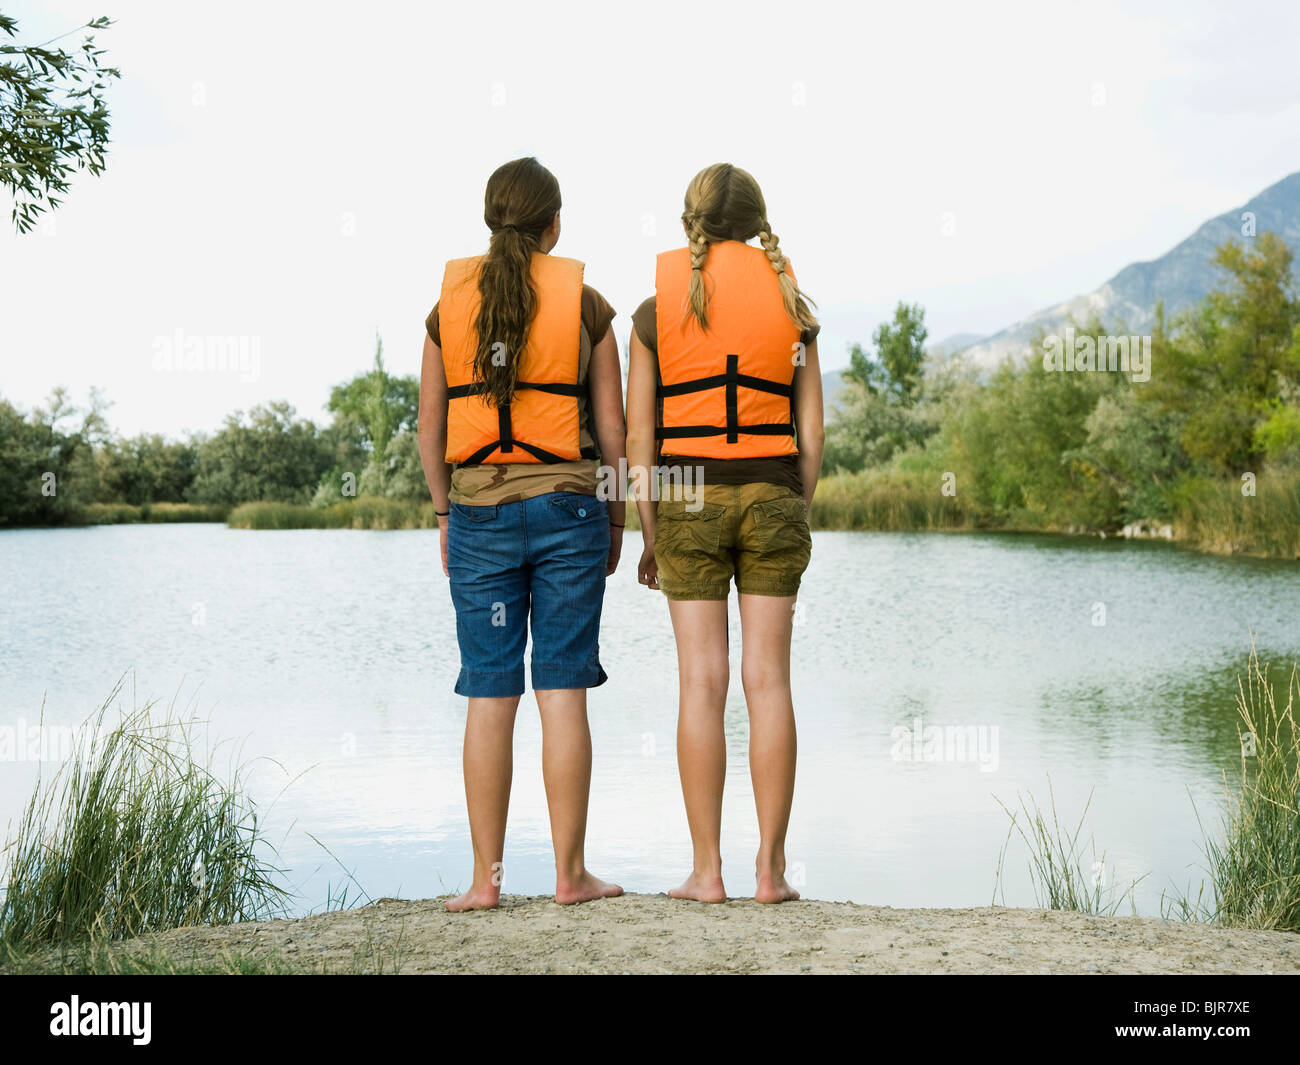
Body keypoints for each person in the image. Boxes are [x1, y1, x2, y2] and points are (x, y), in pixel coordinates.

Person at [418, 156, 626, 909]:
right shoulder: (588, 306)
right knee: (563, 689)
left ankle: (485, 882)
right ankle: (571, 877)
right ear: (554, 223)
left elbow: (430, 428)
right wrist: (616, 518)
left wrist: (446, 513)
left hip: (479, 513)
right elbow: (612, 431)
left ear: (489, 218)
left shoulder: (447, 309)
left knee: (489, 691)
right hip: (570, 511)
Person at [626, 163, 824, 903]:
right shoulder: (793, 305)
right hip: (774, 492)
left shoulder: (654, 313)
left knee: (701, 683)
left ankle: (706, 872)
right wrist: (792, 504)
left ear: (691, 224)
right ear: (756, 221)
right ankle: (771, 873)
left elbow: (640, 438)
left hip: (686, 499)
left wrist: (650, 530)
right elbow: (812, 431)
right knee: (768, 681)